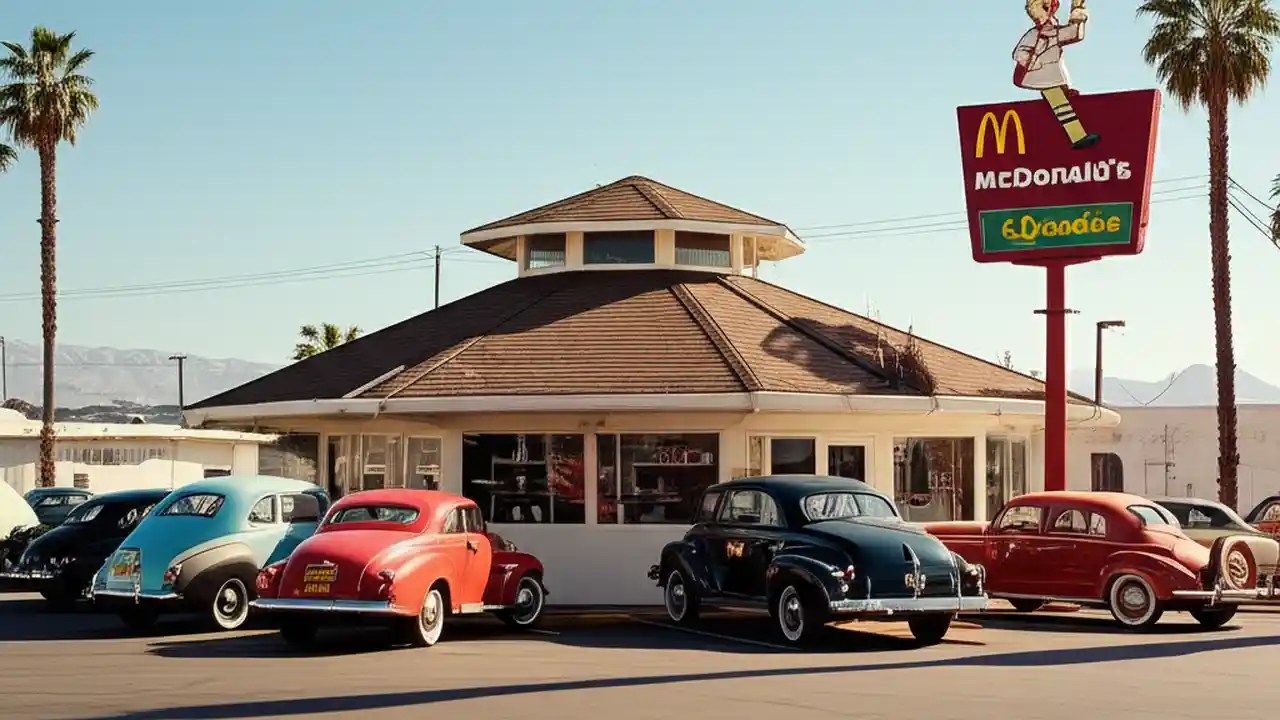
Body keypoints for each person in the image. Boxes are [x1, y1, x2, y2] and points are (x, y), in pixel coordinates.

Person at [1013, 0, 1100, 150]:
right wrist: (1034, 59)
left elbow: (1074, 32)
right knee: (1060, 105)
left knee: (1061, 100)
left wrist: (1077, 8)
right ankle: (1077, 137)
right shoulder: (1034, 34)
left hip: (1051, 76)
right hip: (1039, 77)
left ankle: (1073, 136)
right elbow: (1018, 54)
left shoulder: (1053, 32)